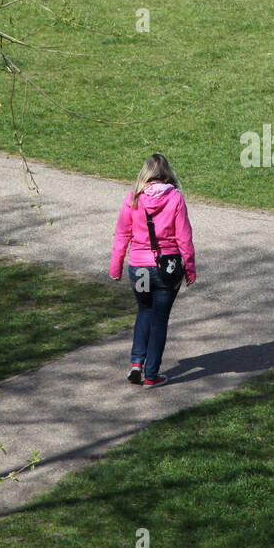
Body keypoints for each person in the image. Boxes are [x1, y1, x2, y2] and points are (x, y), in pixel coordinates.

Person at [109, 154, 196, 387]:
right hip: (166, 270)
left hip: (140, 269)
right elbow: (184, 238)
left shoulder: (133, 198)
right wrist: (190, 269)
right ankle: (152, 375)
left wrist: (116, 266)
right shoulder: (175, 198)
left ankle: (136, 364)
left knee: (144, 311)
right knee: (159, 319)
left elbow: (122, 235)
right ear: (167, 173)